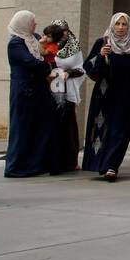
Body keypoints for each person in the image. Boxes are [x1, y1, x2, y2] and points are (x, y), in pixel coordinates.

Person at [82, 12, 130, 182]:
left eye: (124, 24)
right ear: (112, 25)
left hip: (126, 95)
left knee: (120, 131)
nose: (121, 28)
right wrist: (101, 55)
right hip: (105, 94)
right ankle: (100, 163)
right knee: (103, 129)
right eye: (118, 24)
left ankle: (111, 166)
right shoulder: (103, 43)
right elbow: (89, 67)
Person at [3, 11, 58, 177]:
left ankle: (36, 164)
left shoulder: (33, 38)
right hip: (24, 90)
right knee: (22, 127)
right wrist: (47, 68)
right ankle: (17, 167)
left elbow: (48, 54)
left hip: (39, 89)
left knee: (40, 127)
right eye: (32, 21)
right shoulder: (16, 43)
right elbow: (30, 62)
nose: (35, 24)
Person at [48, 20, 85, 173]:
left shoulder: (74, 47)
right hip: (52, 88)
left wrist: (68, 73)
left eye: (65, 30)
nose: (63, 33)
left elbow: (81, 70)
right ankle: (53, 160)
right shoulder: (49, 45)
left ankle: (70, 161)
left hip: (67, 90)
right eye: (59, 30)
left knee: (68, 126)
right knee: (53, 126)